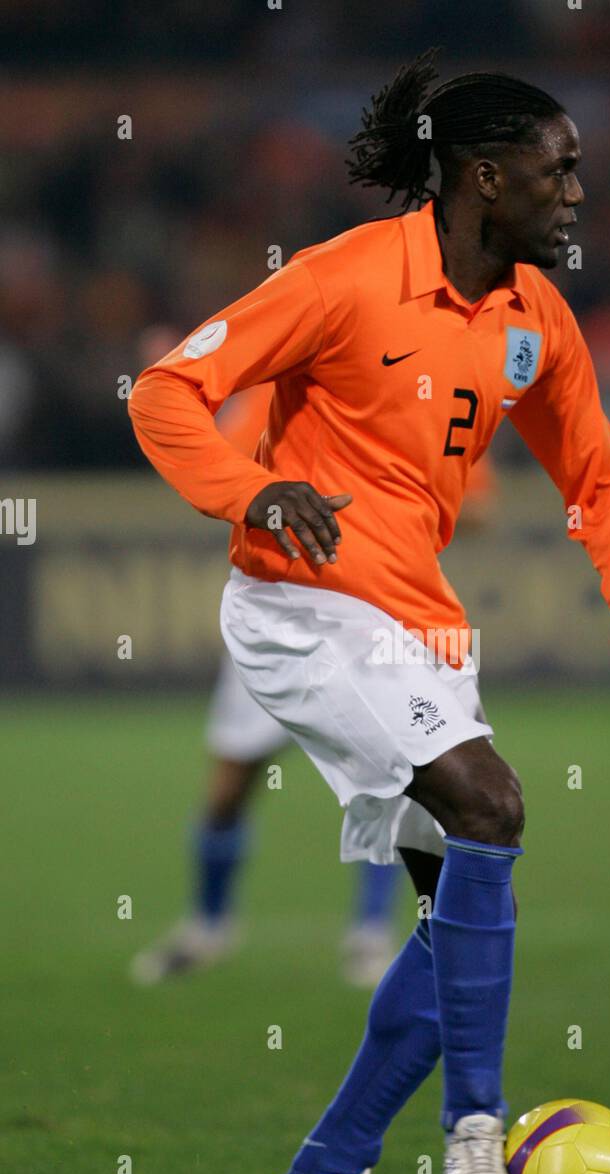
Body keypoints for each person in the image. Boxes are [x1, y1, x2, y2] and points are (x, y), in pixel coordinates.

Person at [129, 53, 610, 1174]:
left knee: (455, 919)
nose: (579, 192)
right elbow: (165, 392)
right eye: (560, 170)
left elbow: (595, 471)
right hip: (302, 608)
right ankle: (476, 1127)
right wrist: (250, 487)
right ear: (487, 177)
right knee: (489, 805)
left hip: (417, 625)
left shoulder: (534, 318)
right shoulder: (342, 278)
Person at [129, 369, 403, 989]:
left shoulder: (397, 394)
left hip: (365, 618)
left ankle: (370, 934)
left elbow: (477, 506)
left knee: (385, 783)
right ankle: (208, 925)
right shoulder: (264, 400)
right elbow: (212, 477)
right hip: (275, 614)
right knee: (229, 786)